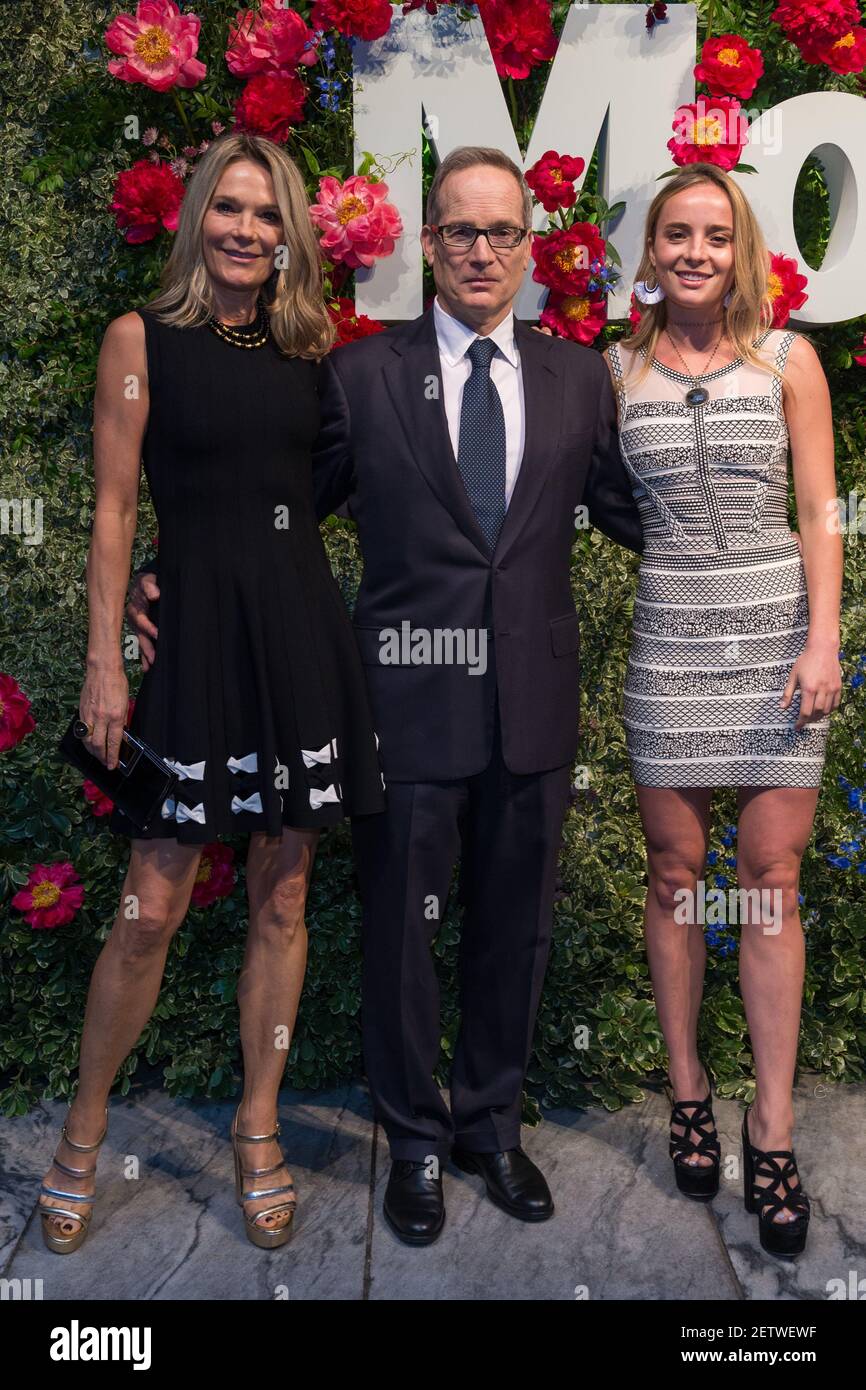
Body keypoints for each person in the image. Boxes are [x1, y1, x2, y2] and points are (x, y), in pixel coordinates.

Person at [133, 144, 644, 1244]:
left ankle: (488, 1128)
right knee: (402, 936)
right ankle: (412, 1138)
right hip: (403, 702)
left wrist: (747, 548)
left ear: (527, 247)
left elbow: (625, 510)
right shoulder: (360, 378)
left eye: (500, 231)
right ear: (426, 244)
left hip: (534, 706)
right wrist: (165, 570)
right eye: (458, 230)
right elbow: (274, 502)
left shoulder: (574, 376)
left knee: (514, 928)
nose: (479, 250)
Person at [38, 132, 385, 1255]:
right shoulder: (140, 340)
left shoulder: (311, 353)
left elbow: (308, 490)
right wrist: (105, 656)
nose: (246, 230)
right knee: (149, 905)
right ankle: (83, 1131)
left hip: (296, 640)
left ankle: (257, 1126)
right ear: (198, 219)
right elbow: (111, 507)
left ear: (289, 234)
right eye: (228, 209)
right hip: (188, 654)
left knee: (282, 897)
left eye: (267, 214)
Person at [603, 162, 842, 1259]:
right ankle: (688, 1087)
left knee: (769, 883)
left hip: (777, 657)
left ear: (736, 247)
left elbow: (817, 508)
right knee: (671, 876)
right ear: (648, 253)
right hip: (668, 648)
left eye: (713, 233)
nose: (693, 251)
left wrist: (824, 641)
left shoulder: (790, 358)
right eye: (673, 235)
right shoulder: (614, 370)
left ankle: (773, 1126)